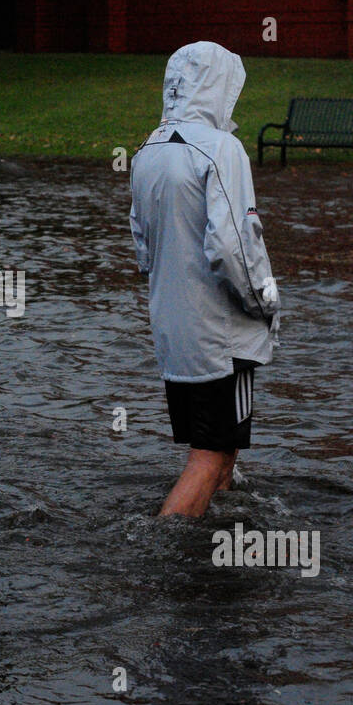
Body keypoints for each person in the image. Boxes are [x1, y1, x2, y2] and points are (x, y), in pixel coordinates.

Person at [129, 42, 281, 518]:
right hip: (221, 334)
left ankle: (215, 540)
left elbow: (143, 247)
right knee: (210, 454)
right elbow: (234, 245)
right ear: (220, 88)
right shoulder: (221, 149)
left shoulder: (146, 151)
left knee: (221, 450)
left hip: (175, 331)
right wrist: (265, 305)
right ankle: (164, 549)